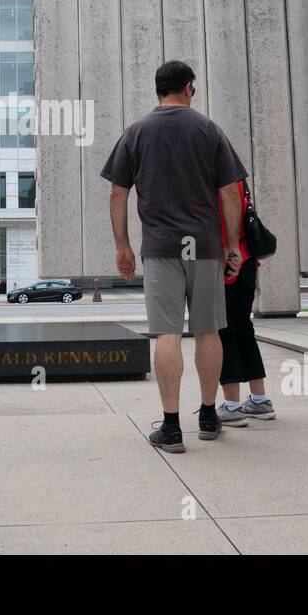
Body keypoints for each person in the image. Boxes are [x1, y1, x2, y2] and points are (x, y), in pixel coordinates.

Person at [101, 60, 247, 453]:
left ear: (158, 89)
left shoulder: (136, 132)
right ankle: (208, 414)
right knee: (207, 329)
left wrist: (122, 245)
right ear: (187, 86)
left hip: (162, 246)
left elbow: (118, 193)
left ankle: (171, 427)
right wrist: (232, 243)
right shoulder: (208, 130)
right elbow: (231, 192)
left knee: (166, 332)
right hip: (203, 245)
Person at [214, 177, 276, 426]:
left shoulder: (219, 180)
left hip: (227, 261)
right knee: (244, 329)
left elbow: (219, 223)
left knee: (224, 330)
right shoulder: (239, 178)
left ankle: (232, 405)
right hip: (248, 260)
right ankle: (260, 399)